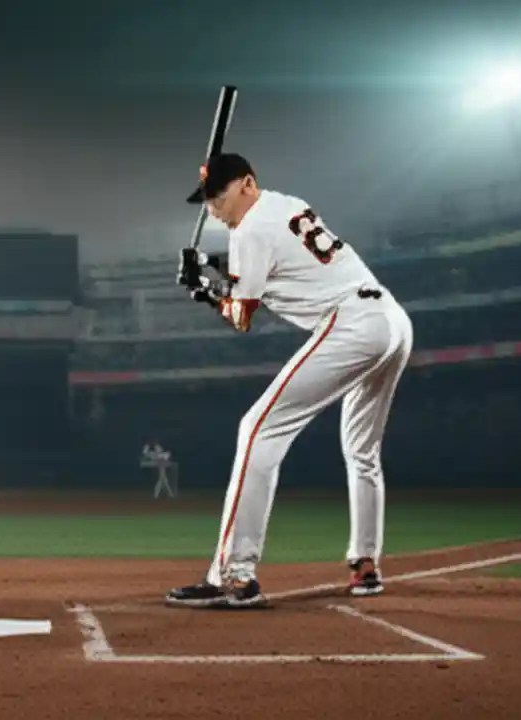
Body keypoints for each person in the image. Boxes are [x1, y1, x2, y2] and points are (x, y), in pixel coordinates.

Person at [168, 153, 413, 609]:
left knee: (257, 428)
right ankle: (365, 563)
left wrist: (205, 290)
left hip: (352, 325)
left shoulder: (247, 230)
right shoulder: (284, 205)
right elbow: (270, 272)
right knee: (362, 452)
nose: (212, 208)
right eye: (205, 199)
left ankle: (235, 575)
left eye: (217, 195)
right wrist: (212, 272)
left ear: (246, 183)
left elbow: (241, 316)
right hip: (392, 321)